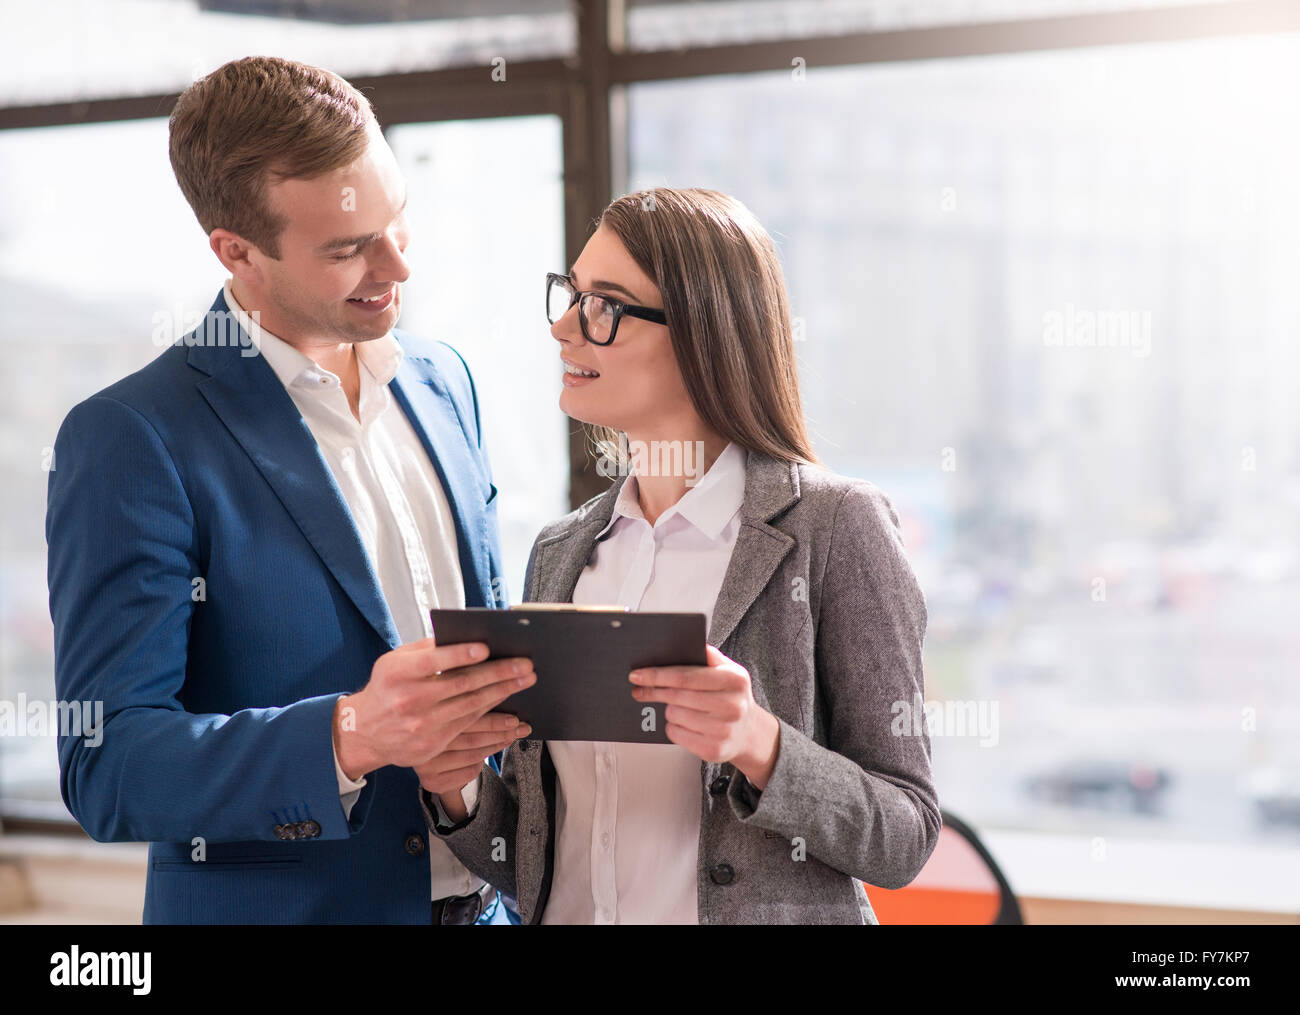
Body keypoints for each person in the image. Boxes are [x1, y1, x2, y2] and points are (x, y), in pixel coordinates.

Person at [45, 55, 533, 924]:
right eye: (349, 248)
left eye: (397, 223)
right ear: (237, 252)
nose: (396, 267)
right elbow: (106, 765)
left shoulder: (442, 381)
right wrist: (352, 734)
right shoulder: (134, 437)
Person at [416, 187, 941, 924]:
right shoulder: (562, 552)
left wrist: (760, 745)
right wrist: (458, 788)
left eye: (605, 305)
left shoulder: (835, 528)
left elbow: (906, 834)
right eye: (570, 295)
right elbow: (538, 859)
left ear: (702, 333)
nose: (565, 327)